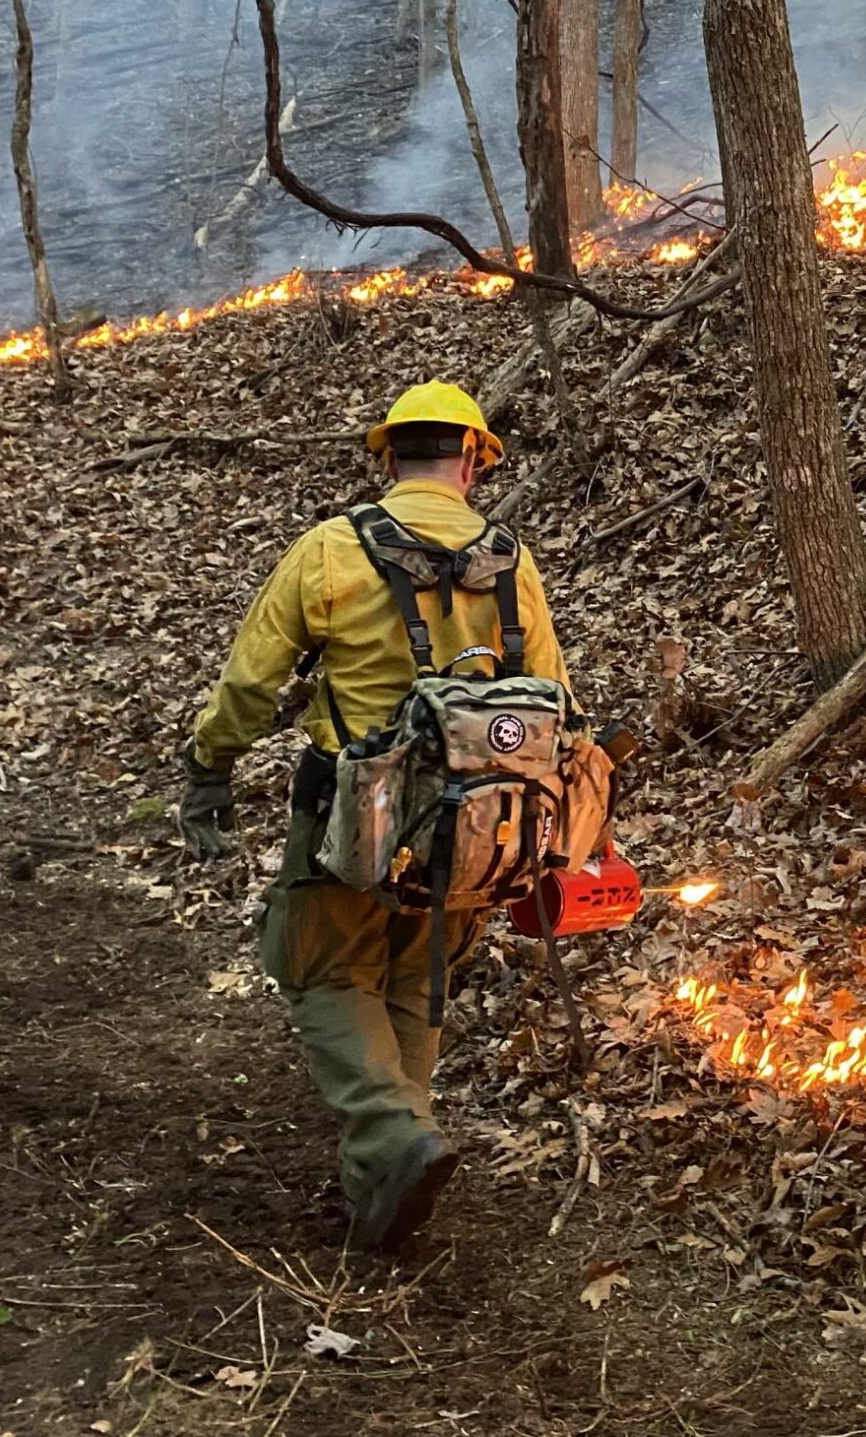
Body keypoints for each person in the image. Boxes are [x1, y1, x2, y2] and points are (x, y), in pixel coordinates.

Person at [180, 379, 569, 1252]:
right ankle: (385, 1187)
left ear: (388, 456)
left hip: (351, 819)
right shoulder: (513, 559)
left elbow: (251, 681)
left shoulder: (332, 550)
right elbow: (555, 707)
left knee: (322, 974)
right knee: (415, 975)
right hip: (475, 828)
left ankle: (394, 1141)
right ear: (472, 458)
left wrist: (209, 767)